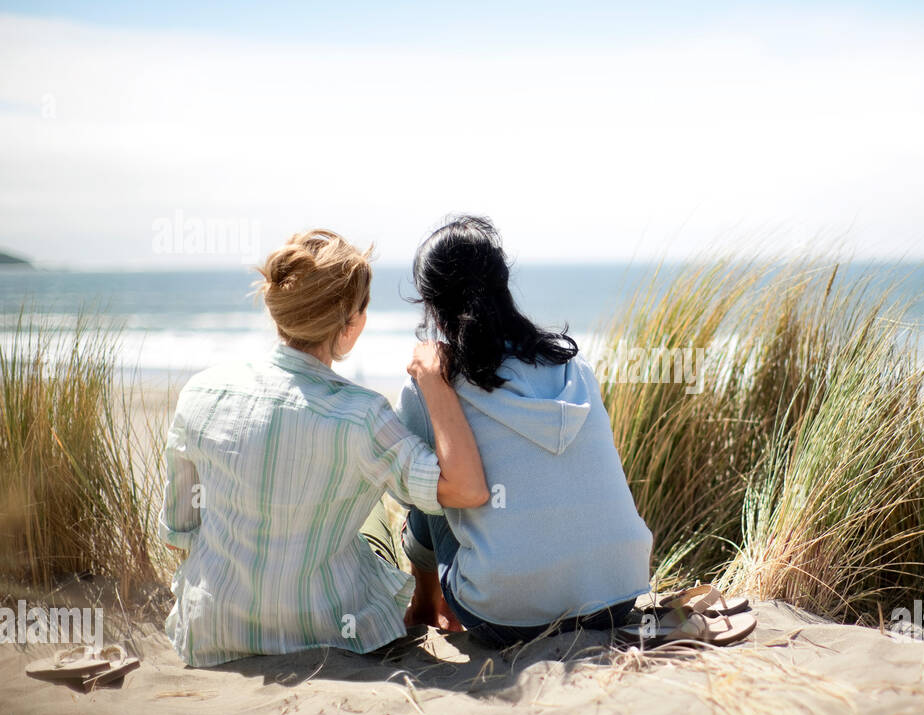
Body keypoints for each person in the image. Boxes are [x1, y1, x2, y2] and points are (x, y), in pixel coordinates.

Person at [160, 229, 488, 667]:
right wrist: (434, 381)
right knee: (378, 505)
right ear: (350, 327)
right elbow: (466, 490)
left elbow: (179, 533)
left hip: (212, 632)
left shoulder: (201, 392)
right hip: (330, 631)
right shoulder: (363, 415)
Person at [396, 215, 652, 647]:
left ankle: (426, 602)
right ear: (502, 282)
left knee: (431, 481)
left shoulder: (432, 386)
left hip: (505, 616)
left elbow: (411, 494)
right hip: (617, 598)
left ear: (431, 303)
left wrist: (431, 388)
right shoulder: (575, 367)